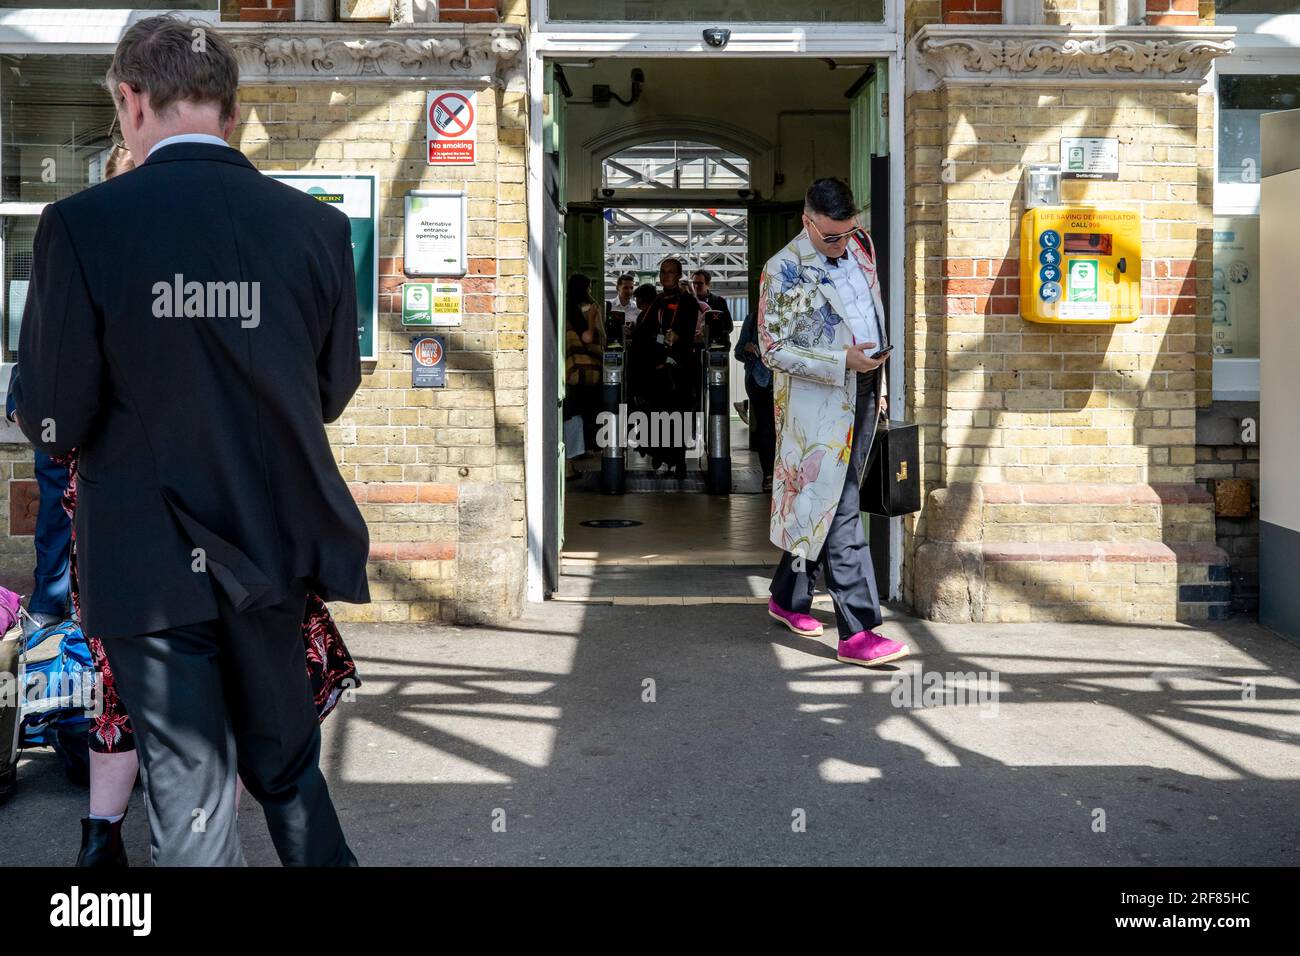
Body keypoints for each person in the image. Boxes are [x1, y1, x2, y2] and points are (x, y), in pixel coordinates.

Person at [13, 15, 369, 866]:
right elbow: (332, 391)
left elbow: (51, 415)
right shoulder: (316, 230)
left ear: (129, 101)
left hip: (146, 559)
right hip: (272, 548)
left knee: (192, 786)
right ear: (234, 112)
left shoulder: (81, 225)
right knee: (286, 772)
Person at [759, 178, 909, 669]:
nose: (843, 244)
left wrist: (878, 383)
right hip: (818, 406)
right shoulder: (780, 269)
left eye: (849, 233)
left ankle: (788, 595)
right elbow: (772, 349)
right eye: (831, 237)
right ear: (806, 222)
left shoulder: (860, 244)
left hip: (867, 389)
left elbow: (870, 313)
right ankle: (859, 631)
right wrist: (839, 360)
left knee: (826, 500)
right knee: (842, 505)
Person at [632, 259, 698, 480]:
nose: (666, 276)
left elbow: (685, 332)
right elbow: (643, 334)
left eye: (670, 272)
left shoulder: (687, 301)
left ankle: (678, 461)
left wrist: (674, 338)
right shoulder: (657, 302)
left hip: (679, 371)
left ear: (679, 275)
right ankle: (659, 457)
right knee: (656, 415)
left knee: (678, 415)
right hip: (656, 370)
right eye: (662, 272)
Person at [564, 273, 606, 478]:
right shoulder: (585, 308)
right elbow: (588, 337)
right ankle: (568, 465)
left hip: (567, 369)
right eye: (588, 288)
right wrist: (592, 322)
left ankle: (569, 463)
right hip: (582, 372)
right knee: (575, 415)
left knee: (570, 414)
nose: (590, 292)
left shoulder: (564, 307)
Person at [733, 309, 775, 492]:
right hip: (760, 381)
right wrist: (747, 349)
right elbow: (738, 351)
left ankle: (783, 474)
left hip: (787, 380)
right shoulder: (753, 318)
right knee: (766, 427)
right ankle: (769, 476)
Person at [606, 272, 640, 343]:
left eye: (631, 288)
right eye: (625, 288)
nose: (629, 291)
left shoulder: (637, 309)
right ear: (617, 288)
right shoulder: (609, 306)